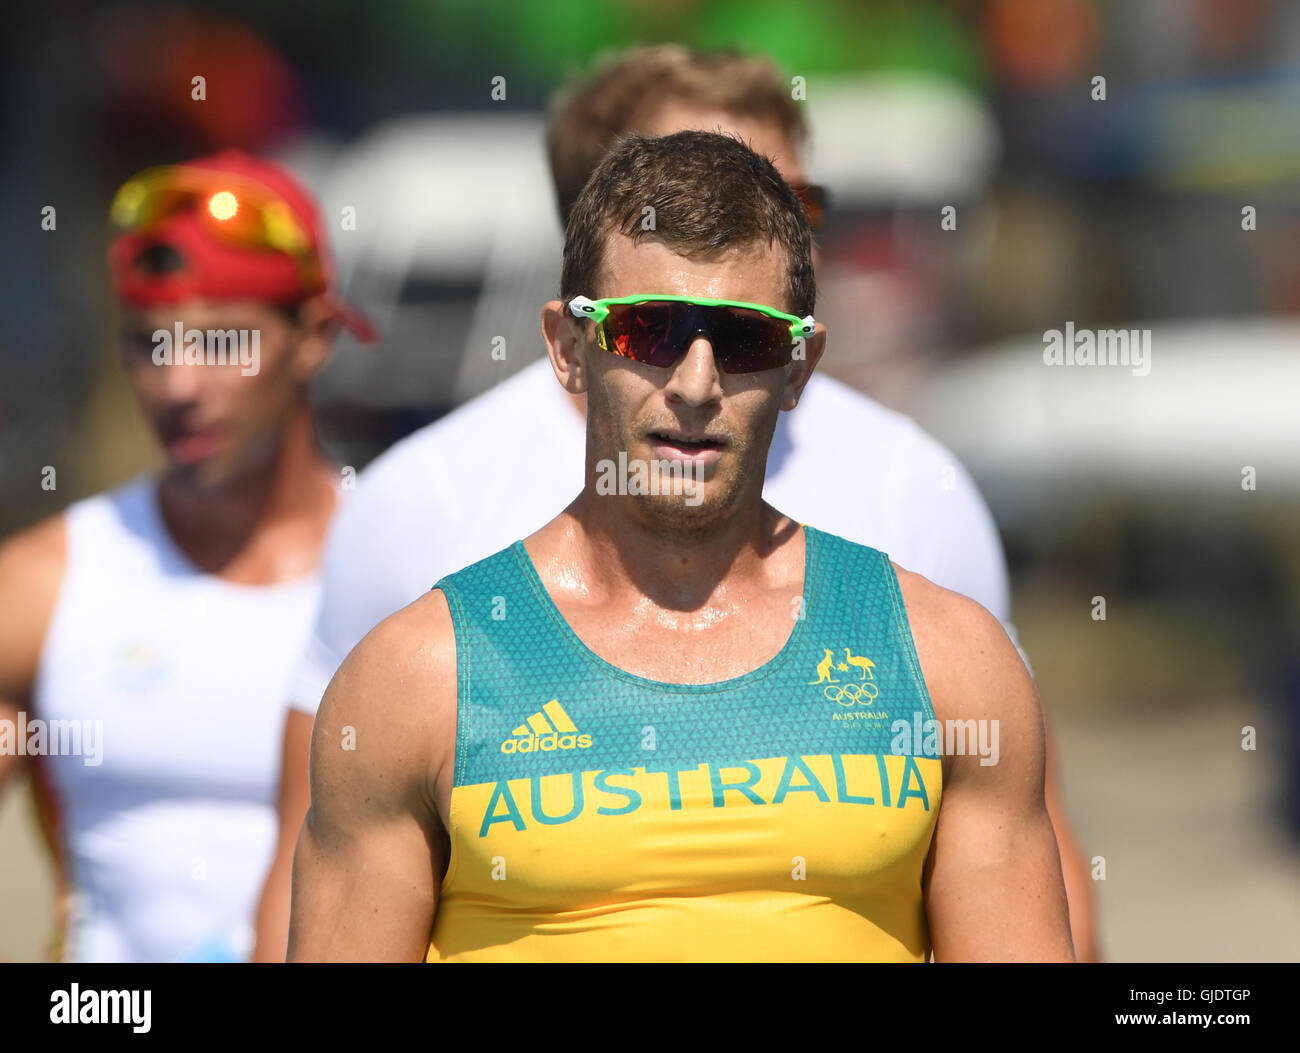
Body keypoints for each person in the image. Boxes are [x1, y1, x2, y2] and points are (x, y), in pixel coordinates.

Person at [254, 45, 1097, 962]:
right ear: (570, 347)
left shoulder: (947, 659)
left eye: (741, 339)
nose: (695, 383)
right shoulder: (414, 679)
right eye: (649, 329)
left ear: (800, 365)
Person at [0, 150, 373, 961]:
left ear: (312, 337)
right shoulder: (42, 582)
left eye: (221, 343)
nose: (176, 386)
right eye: (147, 345)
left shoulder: (402, 568)